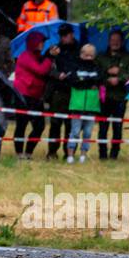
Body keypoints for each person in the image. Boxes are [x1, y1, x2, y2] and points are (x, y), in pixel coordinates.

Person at [96, 30, 129, 160]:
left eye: (117, 40)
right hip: (104, 97)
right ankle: (102, 154)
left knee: (117, 127)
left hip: (120, 98)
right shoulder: (100, 57)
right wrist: (107, 75)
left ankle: (114, 154)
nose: (115, 42)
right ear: (109, 41)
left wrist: (119, 77)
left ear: (122, 41)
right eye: (112, 40)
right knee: (103, 128)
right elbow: (96, 74)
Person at [12, 30, 52, 157]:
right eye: (40, 42)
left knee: (40, 126)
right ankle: (19, 153)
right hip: (23, 96)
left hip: (36, 97)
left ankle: (28, 152)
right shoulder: (25, 56)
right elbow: (40, 70)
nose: (42, 44)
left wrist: (47, 56)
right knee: (21, 125)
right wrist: (50, 57)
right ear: (33, 42)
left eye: (43, 42)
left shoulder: (40, 57)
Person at [43, 26, 78, 159]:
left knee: (71, 125)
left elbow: (82, 65)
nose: (63, 38)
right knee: (55, 124)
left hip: (74, 91)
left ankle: (69, 152)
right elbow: (46, 69)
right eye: (61, 35)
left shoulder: (79, 49)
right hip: (57, 91)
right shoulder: (53, 49)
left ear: (72, 35)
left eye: (66, 35)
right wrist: (51, 56)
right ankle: (52, 152)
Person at [65, 43, 101, 163]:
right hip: (77, 105)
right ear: (81, 55)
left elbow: (99, 80)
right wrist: (88, 82)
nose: (88, 58)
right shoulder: (75, 66)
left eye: (91, 55)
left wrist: (84, 81)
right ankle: (70, 155)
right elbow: (74, 81)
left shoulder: (96, 67)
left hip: (92, 106)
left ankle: (83, 156)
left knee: (87, 133)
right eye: (86, 55)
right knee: (74, 132)